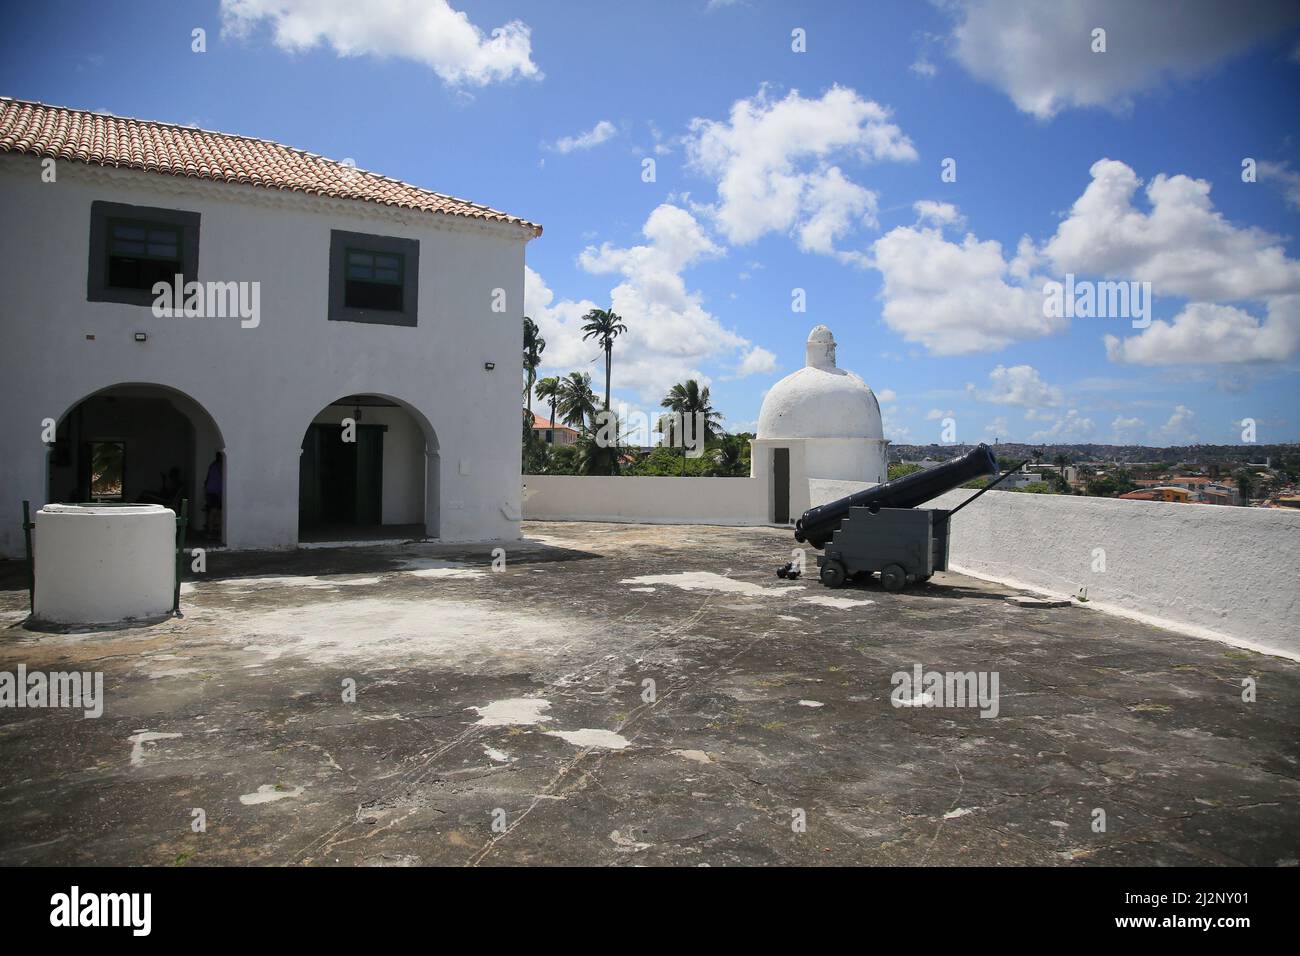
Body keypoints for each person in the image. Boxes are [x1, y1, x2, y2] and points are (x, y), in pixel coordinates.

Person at [204, 451, 224, 537]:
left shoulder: (212, 465)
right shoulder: (220, 466)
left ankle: (213, 531)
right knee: (214, 511)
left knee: (215, 511)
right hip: (215, 492)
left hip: (210, 491)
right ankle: (211, 532)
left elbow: (207, 479)